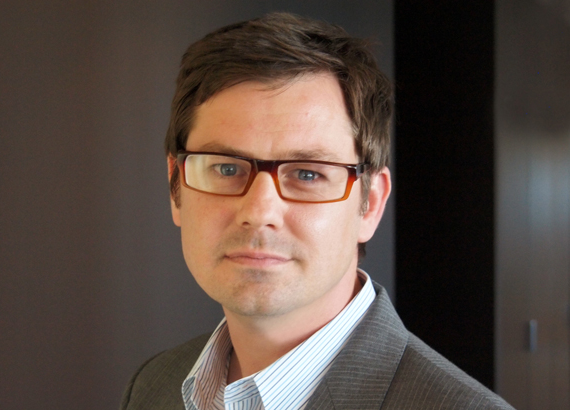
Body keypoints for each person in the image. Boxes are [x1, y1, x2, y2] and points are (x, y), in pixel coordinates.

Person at [120, 12, 514, 410]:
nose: (259, 211)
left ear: (370, 204)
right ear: (176, 187)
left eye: (307, 174)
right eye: (225, 168)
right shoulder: (152, 386)